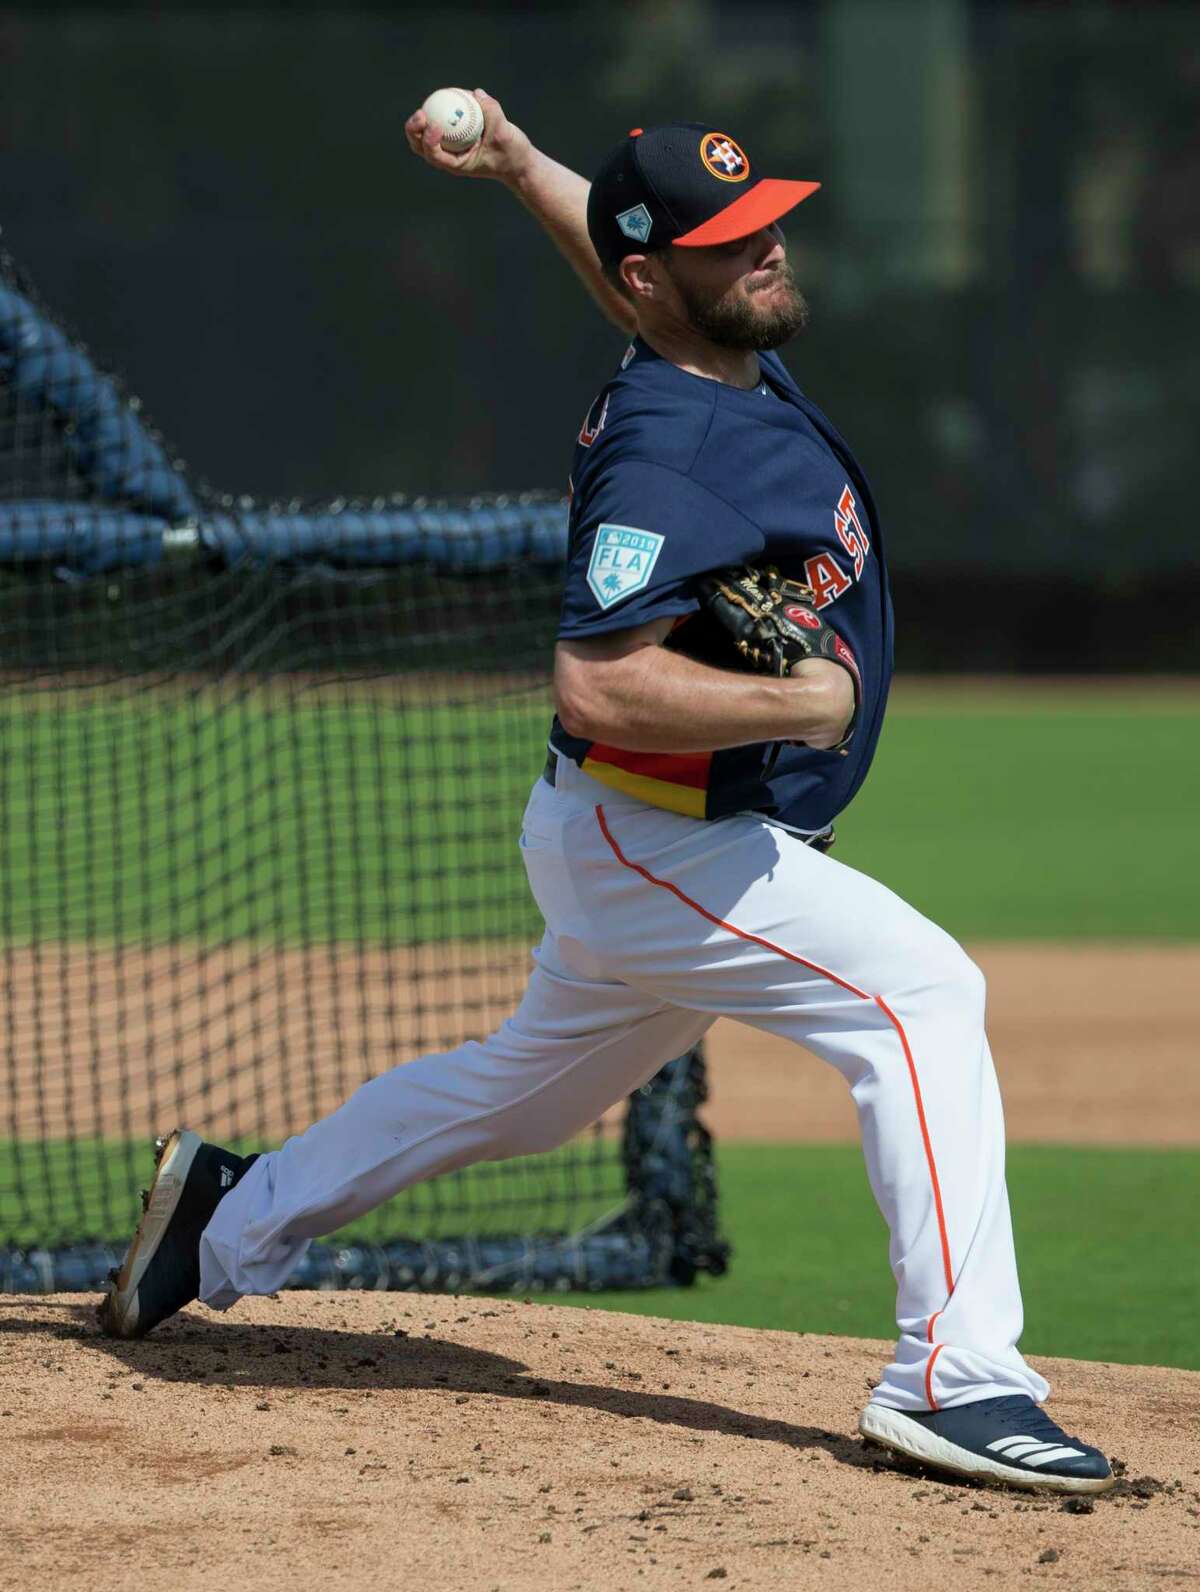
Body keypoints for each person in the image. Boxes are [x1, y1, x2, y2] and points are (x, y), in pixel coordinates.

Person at [99, 95, 1113, 1497]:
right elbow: (598, 684)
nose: (763, 249)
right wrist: (802, 702)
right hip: (662, 843)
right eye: (728, 241)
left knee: (519, 1095)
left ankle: (219, 1223)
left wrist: (517, 164)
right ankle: (958, 1378)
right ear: (661, 282)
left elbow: (622, 259)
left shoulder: (710, 349)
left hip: (649, 842)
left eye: (764, 220)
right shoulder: (669, 453)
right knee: (923, 996)